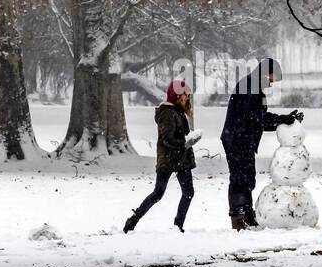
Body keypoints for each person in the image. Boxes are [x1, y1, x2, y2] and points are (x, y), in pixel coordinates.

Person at [220, 58, 301, 230]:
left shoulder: (255, 88)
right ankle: (238, 217)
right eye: (272, 79)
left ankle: (248, 216)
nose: (272, 83)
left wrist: (283, 121)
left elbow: (259, 118)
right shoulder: (249, 87)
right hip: (236, 140)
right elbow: (255, 118)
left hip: (243, 140)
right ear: (266, 73)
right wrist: (281, 119)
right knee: (239, 179)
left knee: (248, 178)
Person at [123, 80, 201, 233]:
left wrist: (189, 140)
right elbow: (167, 138)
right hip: (168, 160)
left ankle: (178, 226)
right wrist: (185, 142)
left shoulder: (177, 111)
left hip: (181, 160)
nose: (186, 98)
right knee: (158, 194)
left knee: (188, 193)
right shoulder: (167, 112)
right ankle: (133, 220)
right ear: (177, 95)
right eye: (184, 94)